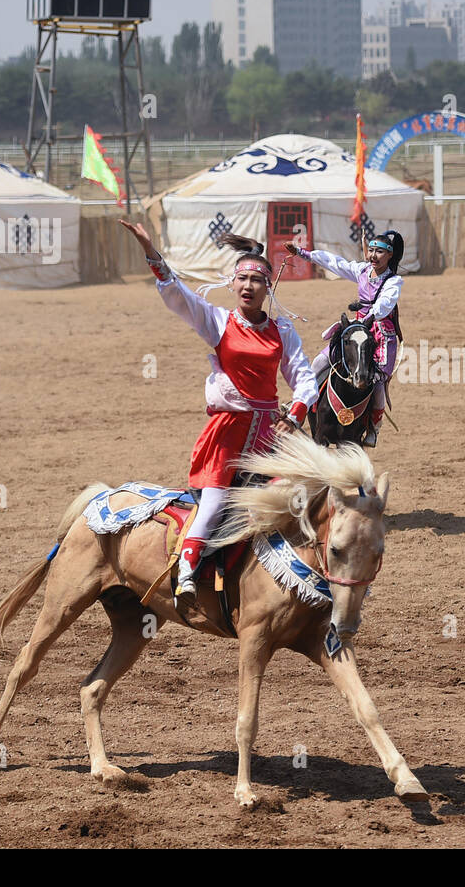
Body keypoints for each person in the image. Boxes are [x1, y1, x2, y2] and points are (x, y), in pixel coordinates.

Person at [119, 219, 318, 601]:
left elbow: (304, 379)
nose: (248, 287)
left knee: (305, 494)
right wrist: (150, 252)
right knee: (214, 503)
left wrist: (295, 413)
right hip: (228, 434)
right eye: (242, 280)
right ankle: (187, 569)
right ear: (232, 284)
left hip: (271, 435)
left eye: (257, 280)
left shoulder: (283, 331)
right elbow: (179, 296)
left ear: (267, 287)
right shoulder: (218, 322)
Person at [286, 231, 403, 448]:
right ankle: (298, 405)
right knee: (320, 362)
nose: (374, 255)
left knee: (376, 384)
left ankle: (373, 428)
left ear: (390, 256)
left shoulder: (394, 281)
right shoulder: (362, 270)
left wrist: (368, 317)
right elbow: (336, 263)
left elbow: (385, 303)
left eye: (380, 252)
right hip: (358, 327)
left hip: (379, 335)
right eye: (371, 250)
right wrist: (303, 253)